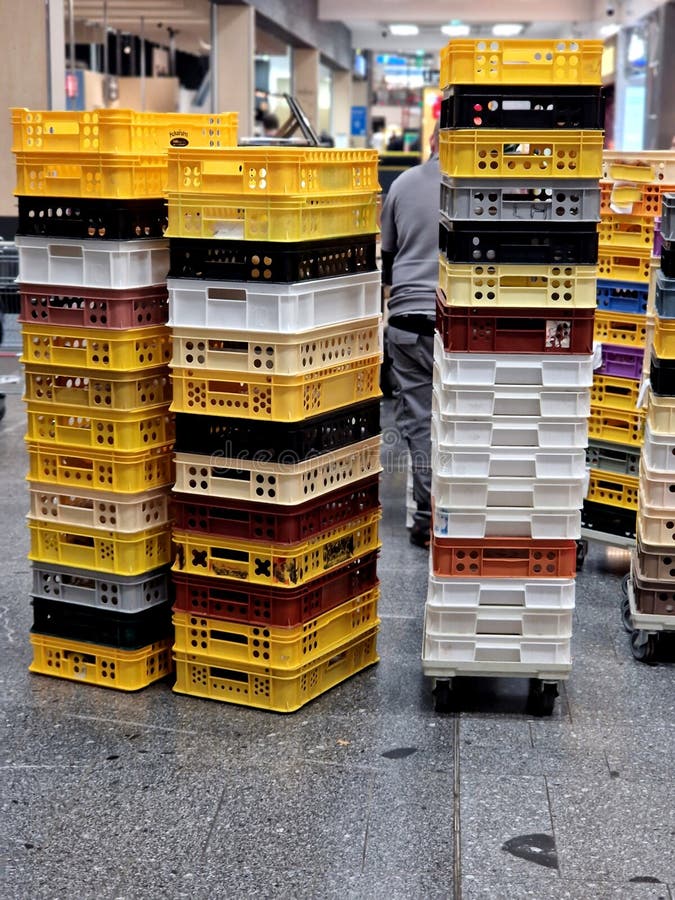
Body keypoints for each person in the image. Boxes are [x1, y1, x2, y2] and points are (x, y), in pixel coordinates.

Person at [380, 121, 440, 549]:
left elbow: (387, 256)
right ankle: (469, 510)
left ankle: (428, 513)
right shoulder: (478, 189)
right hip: (462, 324)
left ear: (433, 142)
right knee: (467, 419)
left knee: (419, 422)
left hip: (406, 319)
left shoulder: (402, 183)